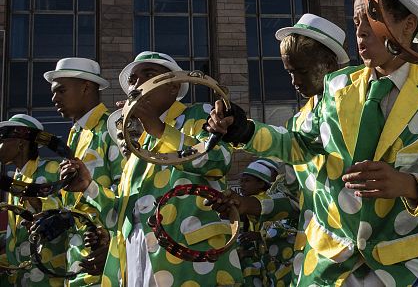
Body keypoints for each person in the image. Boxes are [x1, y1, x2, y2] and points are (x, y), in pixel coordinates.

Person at [209, 0, 418, 286]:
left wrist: (408, 184)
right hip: (328, 265)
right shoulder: (336, 85)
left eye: (372, 17)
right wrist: (244, 131)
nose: (359, 31)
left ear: (409, 24)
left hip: (405, 265)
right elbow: (300, 145)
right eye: (357, 19)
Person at [60, 51, 243, 286]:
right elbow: (120, 216)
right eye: (133, 80)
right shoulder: (138, 148)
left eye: (149, 74)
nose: (138, 84)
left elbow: (220, 160)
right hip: (137, 258)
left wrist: (159, 129)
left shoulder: (197, 114)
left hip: (187, 259)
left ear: (173, 87)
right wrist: (88, 186)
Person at [213, 13, 349, 287]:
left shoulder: (361, 106)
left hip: (366, 259)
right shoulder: (298, 123)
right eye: (289, 72)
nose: (294, 81)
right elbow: (294, 199)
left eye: (302, 70)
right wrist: (247, 204)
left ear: (330, 63)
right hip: (316, 264)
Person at [45, 57, 123, 285]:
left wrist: (113, 243)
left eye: (61, 90)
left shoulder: (112, 129)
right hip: (80, 260)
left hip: (109, 262)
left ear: (86, 87)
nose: (54, 98)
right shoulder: (76, 134)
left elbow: (129, 195)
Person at [0, 114, 65, 286]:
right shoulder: (15, 178)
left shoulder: (52, 169)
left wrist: (39, 203)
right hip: (22, 277)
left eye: (3, 140)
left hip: (49, 276)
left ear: (20, 142)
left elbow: (71, 209)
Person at [237, 159, 281, 287]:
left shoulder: (274, 200)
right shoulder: (248, 204)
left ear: (261, 183)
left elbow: (288, 227)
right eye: (241, 181)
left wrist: (259, 235)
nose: (242, 185)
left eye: (247, 181)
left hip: (282, 266)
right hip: (265, 268)